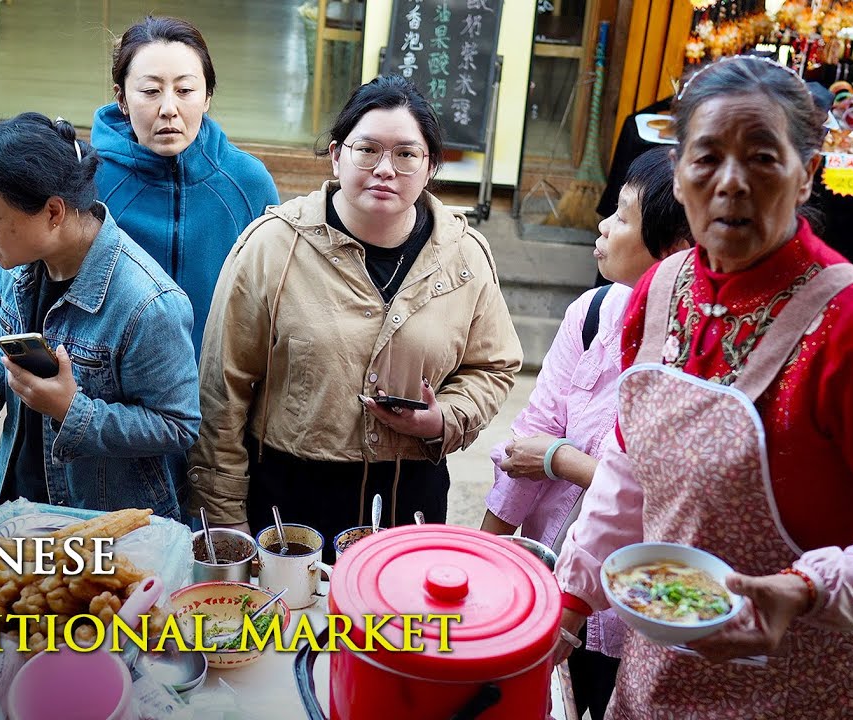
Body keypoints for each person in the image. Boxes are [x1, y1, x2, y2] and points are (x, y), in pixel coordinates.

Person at [554, 56, 853, 718]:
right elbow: (627, 463)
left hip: (802, 676)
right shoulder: (661, 287)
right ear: (677, 177)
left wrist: (808, 588)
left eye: (762, 158)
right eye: (706, 158)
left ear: (805, 175)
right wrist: (573, 600)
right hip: (658, 663)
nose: (731, 183)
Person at [188, 75, 522, 558]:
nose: (386, 168)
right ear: (336, 155)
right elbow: (222, 393)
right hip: (289, 495)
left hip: (412, 496)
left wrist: (443, 419)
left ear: (430, 167)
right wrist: (225, 519)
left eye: (407, 154)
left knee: (393, 630)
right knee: (290, 628)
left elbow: (493, 366)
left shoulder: (464, 256)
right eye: (367, 149)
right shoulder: (271, 247)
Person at [481, 147, 691, 719]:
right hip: (555, 575)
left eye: (623, 217)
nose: (603, 225)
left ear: (675, 251)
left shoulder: (705, 355)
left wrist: (562, 461)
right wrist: (490, 559)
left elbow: (675, 503)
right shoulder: (593, 313)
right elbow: (529, 440)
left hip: (641, 611)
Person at [0, 113, 200, 522]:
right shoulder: (12, 263)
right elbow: (8, 339)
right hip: (16, 498)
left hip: (103, 527)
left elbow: (178, 426)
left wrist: (73, 411)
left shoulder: (148, 303)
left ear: (54, 212)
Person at [92, 16, 280, 357]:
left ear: (207, 96)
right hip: (112, 400)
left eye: (185, 91)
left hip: (216, 394)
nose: (168, 109)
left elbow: (273, 307)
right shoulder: (89, 182)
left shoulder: (248, 183)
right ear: (121, 98)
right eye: (150, 91)